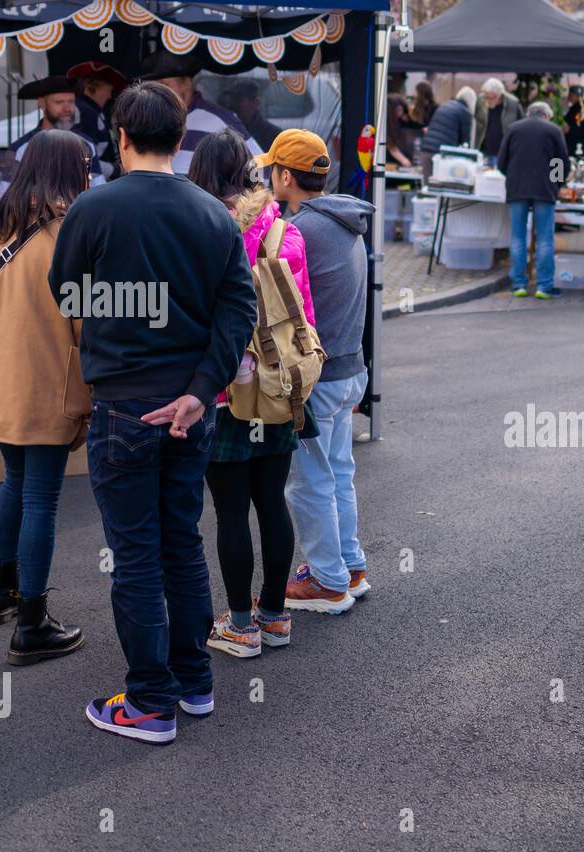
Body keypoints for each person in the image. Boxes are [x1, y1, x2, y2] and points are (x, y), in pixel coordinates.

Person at [49, 81, 257, 744]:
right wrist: (200, 388)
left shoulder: (96, 207)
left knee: (136, 555)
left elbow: (67, 293)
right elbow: (238, 310)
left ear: (122, 137)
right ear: (178, 136)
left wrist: (132, 306)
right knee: (181, 544)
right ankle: (193, 683)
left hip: (124, 407)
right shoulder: (214, 215)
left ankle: (148, 702)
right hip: (192, 410)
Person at [187, 129, 317, 658]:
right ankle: (274, 616)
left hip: (224, 390)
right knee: (272, 502)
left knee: (231, 509)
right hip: (278, 386)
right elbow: (305, 312)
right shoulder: (286, 230)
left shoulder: (199, 230)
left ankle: (240, 625)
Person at [0, 130, 92, 666]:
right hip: (48, 376)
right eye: (86, 165)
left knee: (15, 482)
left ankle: (2, 593)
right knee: (41, 497)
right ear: (71, 171)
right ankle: (32, 623)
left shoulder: (2, 223)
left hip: (1, 374)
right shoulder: (69, 231)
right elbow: (84, 313)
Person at [257, 130, 376, 614]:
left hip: (318, 379)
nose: (267, 177)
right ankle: (349, 567)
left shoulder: (301, 230)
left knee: (308, 482)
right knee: (338, 473)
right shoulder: (345, 218)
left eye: (272, 169)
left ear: (286, 176)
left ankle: (328, 583)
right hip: (351, 370)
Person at [138, 51, 261, 175]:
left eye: (164, 85)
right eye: (151, 86)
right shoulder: (145, 122)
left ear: (186, 84)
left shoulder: (221, 120)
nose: (156, 92)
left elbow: (260, 167)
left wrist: (226, 193)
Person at [498, 102, 569, 300]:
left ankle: (519, 285)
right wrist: (556, 184)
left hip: (517, 188)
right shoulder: (553, 130)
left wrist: (513, 175)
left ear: (528, 114)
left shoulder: (513, 129)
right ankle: (544, 286)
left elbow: (502, 162)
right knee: (545, 238)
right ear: (547, 115)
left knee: (518, 237)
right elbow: (560, 161)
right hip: (544, 190)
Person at [0, 76, 104, 199]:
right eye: (59, 102)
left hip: (78, 216)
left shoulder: (86, 144)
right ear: (42, 103)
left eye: (71, 101)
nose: (67, 108)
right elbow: (4, 200)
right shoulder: (21, 149)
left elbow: (99, 190)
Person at [69, 61, 125, 179]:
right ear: (92, 87)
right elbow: (83, 158)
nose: (110, 96)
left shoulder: (93, 111)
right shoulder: (85, 113)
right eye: (108, 90)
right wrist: (115, 170)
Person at [419, 86, 475, 181]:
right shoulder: (465, 112)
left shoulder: (445, 105)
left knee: (428, 186)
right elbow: (465, 142)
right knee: (441, 185)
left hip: (426, 149)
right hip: (442, 153)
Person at [221, 78, 284, 155]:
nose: (233, 104)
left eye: (239, 100)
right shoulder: (222, 129)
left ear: (256, 102)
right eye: (231, 99)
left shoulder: (273, 135)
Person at [475, 77, 524, 165]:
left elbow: (522, 127)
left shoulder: (513, 104)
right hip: (484, 153)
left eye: (491, 98)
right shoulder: (481, 100)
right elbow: (475, 123)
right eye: (486, 97)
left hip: (504, 153)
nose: (488, 100)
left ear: (499, 95)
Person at [563, 85, 584, 162]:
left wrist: (569, 130)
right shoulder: (575, 108)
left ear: (577, 96)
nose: (569, 97)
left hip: (579, 148)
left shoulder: (582, 109)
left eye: (571, 95)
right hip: (574, 147)